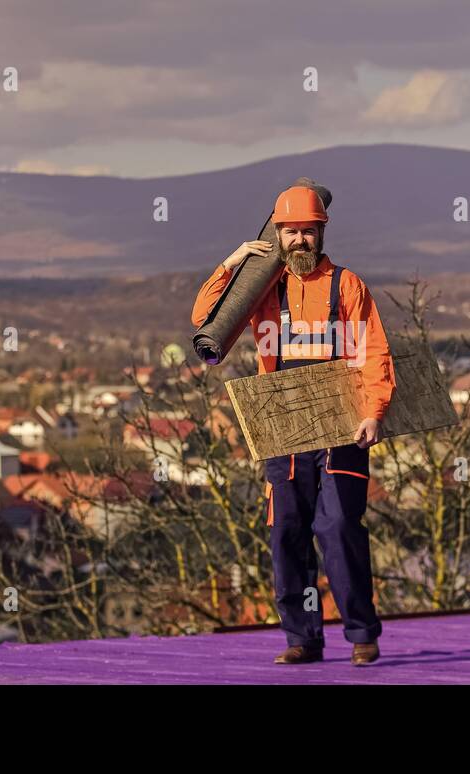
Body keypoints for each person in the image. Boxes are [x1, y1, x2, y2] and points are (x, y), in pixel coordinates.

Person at [190, 185, 394, 666]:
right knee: (287, 530)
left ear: (321, 232)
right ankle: (302, 639)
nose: (299, 240)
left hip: (344, 425)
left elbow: (373, 352)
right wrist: (235, 261)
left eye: (307, 231)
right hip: (282, 429)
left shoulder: (347, 285)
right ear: (278, 236)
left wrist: (374, 411)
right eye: (290, 232)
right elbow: (206, 319)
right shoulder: (262, 290)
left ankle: (361, 634)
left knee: (338, 525)